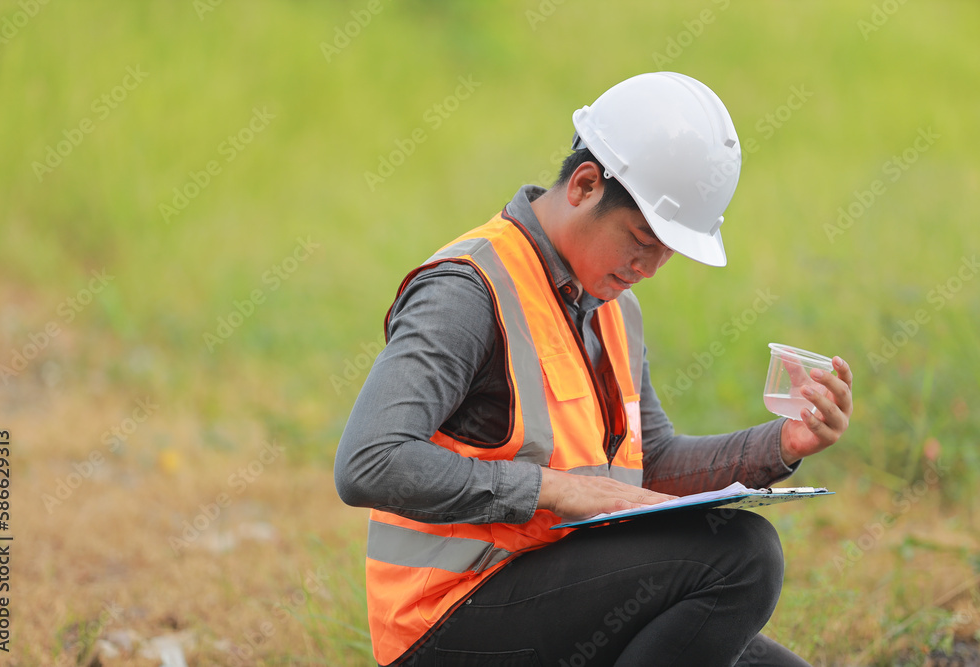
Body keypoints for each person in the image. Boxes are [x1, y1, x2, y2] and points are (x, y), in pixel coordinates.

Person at [335, 72, 854, 667]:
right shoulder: (467, 291)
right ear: (584, 185)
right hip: (445, 623)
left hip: (563, 597)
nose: (650, 267)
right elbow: (368, 461)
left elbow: (649, 466)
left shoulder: (611, 307)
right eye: (642, 239)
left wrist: (782, 444)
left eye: (668, 252)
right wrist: (559, 491)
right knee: (744, 554)